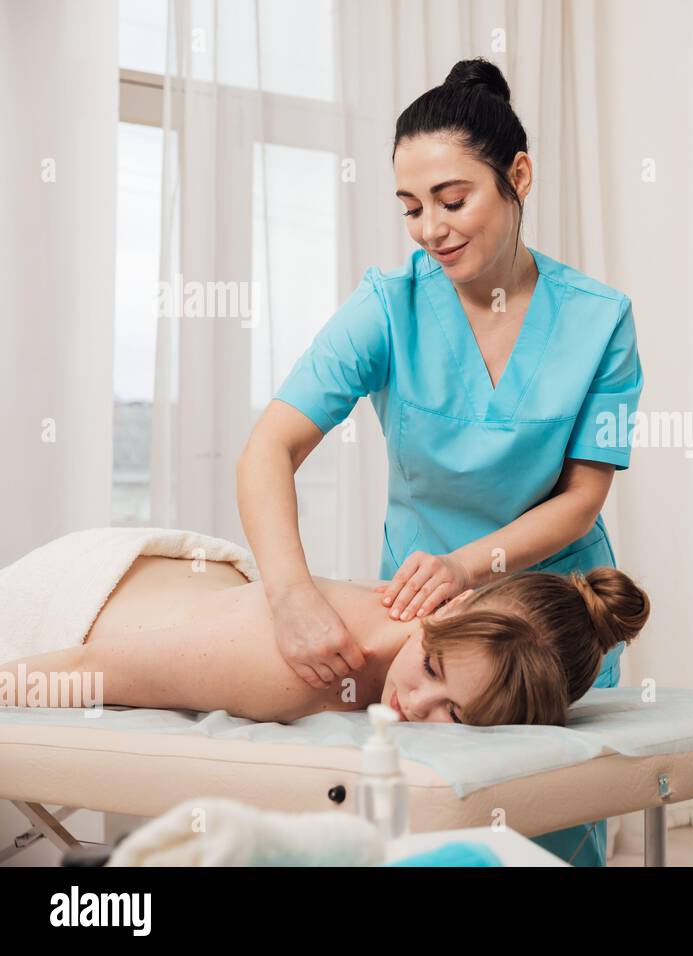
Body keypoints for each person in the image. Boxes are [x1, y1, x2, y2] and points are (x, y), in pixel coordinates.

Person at [236, 57, 645, 865]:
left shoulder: (600, 320)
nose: (431, 228)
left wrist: (469, 566)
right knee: (425, 830)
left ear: (517, 176)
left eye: (453, 200)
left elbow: (581, 499)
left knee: (545, 835)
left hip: (548, 616)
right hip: (421, 625)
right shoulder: (389, 306)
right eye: (412, 207)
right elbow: (268, 449)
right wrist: (289, 594)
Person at [0, 549, 648, 729]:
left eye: (457, 714)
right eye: (433, 668)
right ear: (445, 608)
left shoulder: (425, 623)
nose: (416, 705)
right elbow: (89, 667)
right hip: (62, 608)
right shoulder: (290, 667)